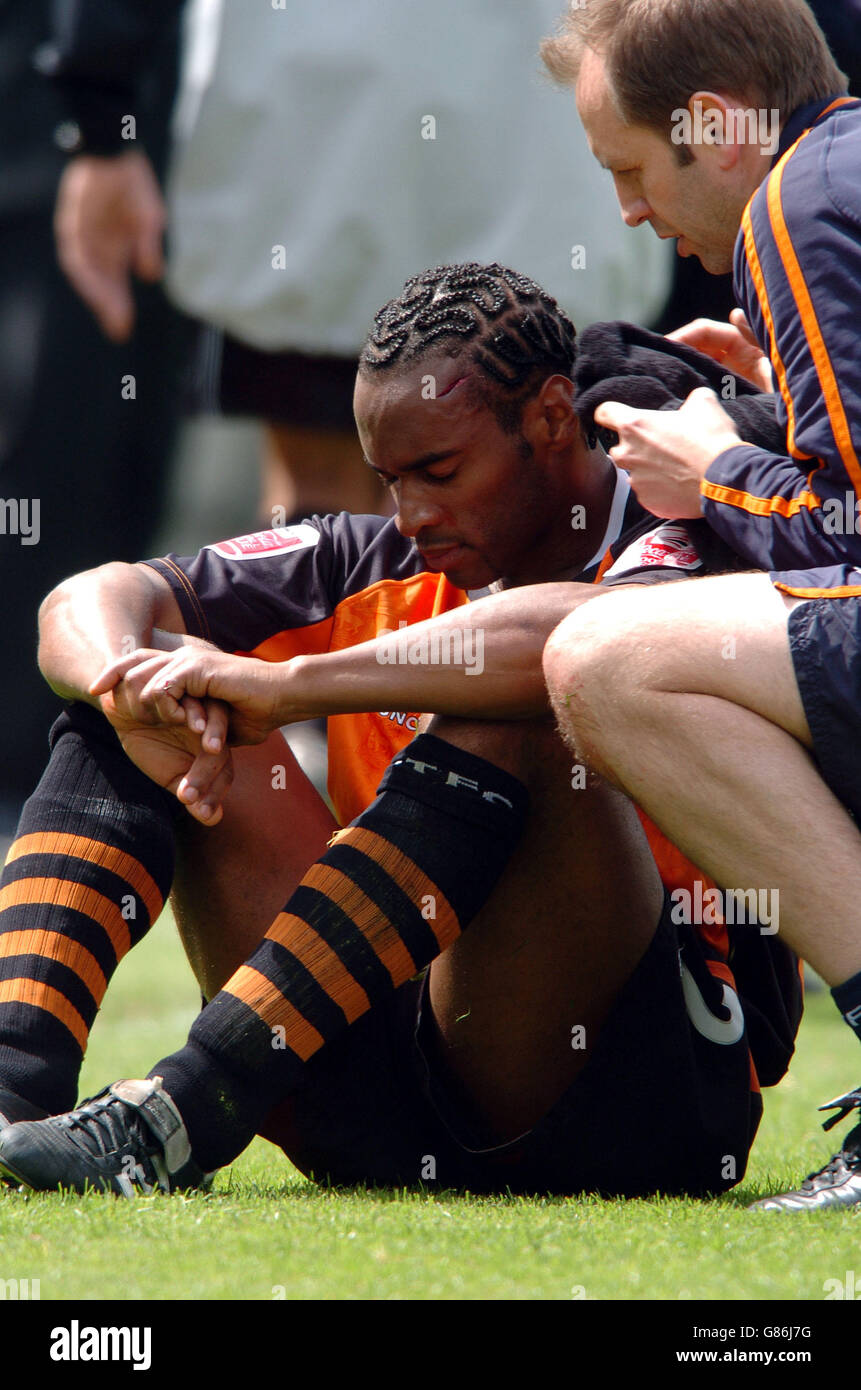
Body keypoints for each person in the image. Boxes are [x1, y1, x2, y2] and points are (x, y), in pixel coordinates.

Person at [0, 263, 798, 1198]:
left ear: (550, 417)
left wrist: (291, 684)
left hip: (632, 1106)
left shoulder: (685, 530)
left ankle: (179, 1112)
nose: (412, 514)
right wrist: (126, 679)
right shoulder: (379, 553)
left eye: (439, 472)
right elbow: (91, 595)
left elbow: (565, 638)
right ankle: (16, 1091)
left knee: (534, 700)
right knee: (154, 684)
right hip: (378, 1096)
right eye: (388, 479)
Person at [539, 0, 861, 1208]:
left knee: (609, 663)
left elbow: (854, 530)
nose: (628, 209)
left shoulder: (803, 202)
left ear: (719, 124)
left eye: (630, 166)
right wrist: (774, 417)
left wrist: (711, 472)